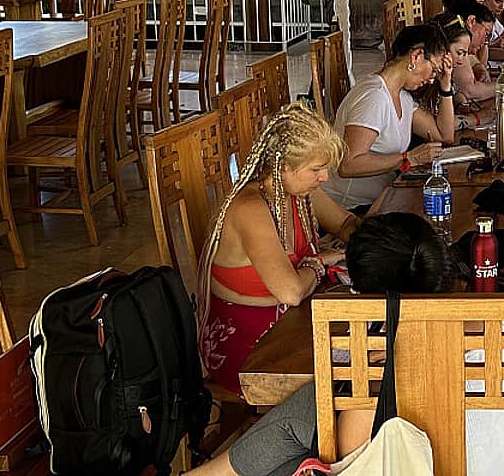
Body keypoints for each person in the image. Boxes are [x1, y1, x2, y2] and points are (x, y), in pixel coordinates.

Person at [185, 212, 454, 476]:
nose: (324, 176)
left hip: (398, 462)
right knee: (300, 424)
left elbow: (348, 448)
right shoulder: (479, 329)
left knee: (305, 415)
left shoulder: (382, 369)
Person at [197, 103, 359, 395]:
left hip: (287, 324)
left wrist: (360, 236)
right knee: (349, 377)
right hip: (248, 347)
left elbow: (344, 221)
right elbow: (292, 292)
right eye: (316, 169)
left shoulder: (297, 190)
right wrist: (318, 262)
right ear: (283, 167)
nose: (324, 178)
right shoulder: (251, 209)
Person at [321, 25, 454, 213]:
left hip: (383, 198)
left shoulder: (402, 98)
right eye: (433, 69)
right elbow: (348, 164)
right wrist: (408, 158)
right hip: (352, 208)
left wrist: (446, 85)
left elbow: (444, 135)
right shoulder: (374, 97)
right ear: (416, 56)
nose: (433, 79)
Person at [446, 0, 497, 101]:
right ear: (471, 21)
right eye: (486, 34)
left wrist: (478, 67)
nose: (484, 42)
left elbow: (470, 58)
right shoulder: (455, 37)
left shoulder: (456, 28)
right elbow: (470, 90)